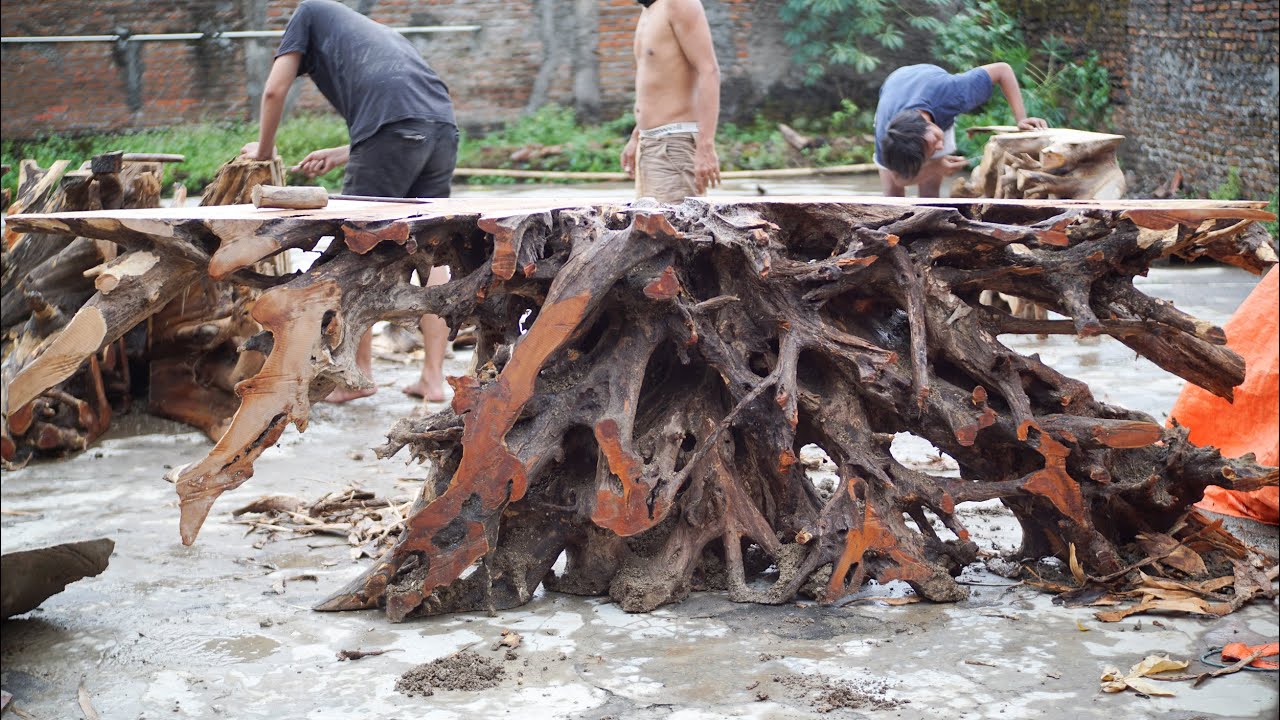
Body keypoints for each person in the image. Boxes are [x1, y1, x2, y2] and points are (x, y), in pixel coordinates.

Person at [240, 0, 455, 404]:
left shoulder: (307, 14)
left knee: (356, 249)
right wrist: (345, 153)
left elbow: (273, 90)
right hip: (442, 129)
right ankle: (433, 379)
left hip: (393, 132)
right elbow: (412, 120)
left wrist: (264, 153)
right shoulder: (375, 34)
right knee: (433, 253)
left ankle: (357, 378)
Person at [874, 63, 1048, 197]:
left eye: (936, 139)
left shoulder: (953, 92)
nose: (941, 146)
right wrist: (934, 165)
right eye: (933, 148)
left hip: (931, 87)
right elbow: (899, 179)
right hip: (894, 90)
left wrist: (1021, 119)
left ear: (929, 122)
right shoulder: (888, 135)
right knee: (893, 195)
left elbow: (1003, 70)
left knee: (929, 194)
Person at [619, 0, 721, 203]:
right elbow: (657, 80)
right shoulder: (649, 9)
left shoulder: (679, 4)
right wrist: (636, 136)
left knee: (673, 232)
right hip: (649, 145)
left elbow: (709, 70)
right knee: (648, 231)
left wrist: (705, 146)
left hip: (674, 146)